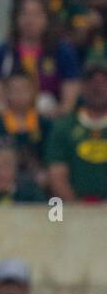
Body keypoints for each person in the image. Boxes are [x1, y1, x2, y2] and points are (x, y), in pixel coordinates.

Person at [46, 56, 107, 202]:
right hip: (73, 212)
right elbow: (57, 175)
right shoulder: (64, 127)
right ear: (82, 86)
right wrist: (78, 208)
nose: (97, 88)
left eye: (103, 82)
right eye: (91, 82)